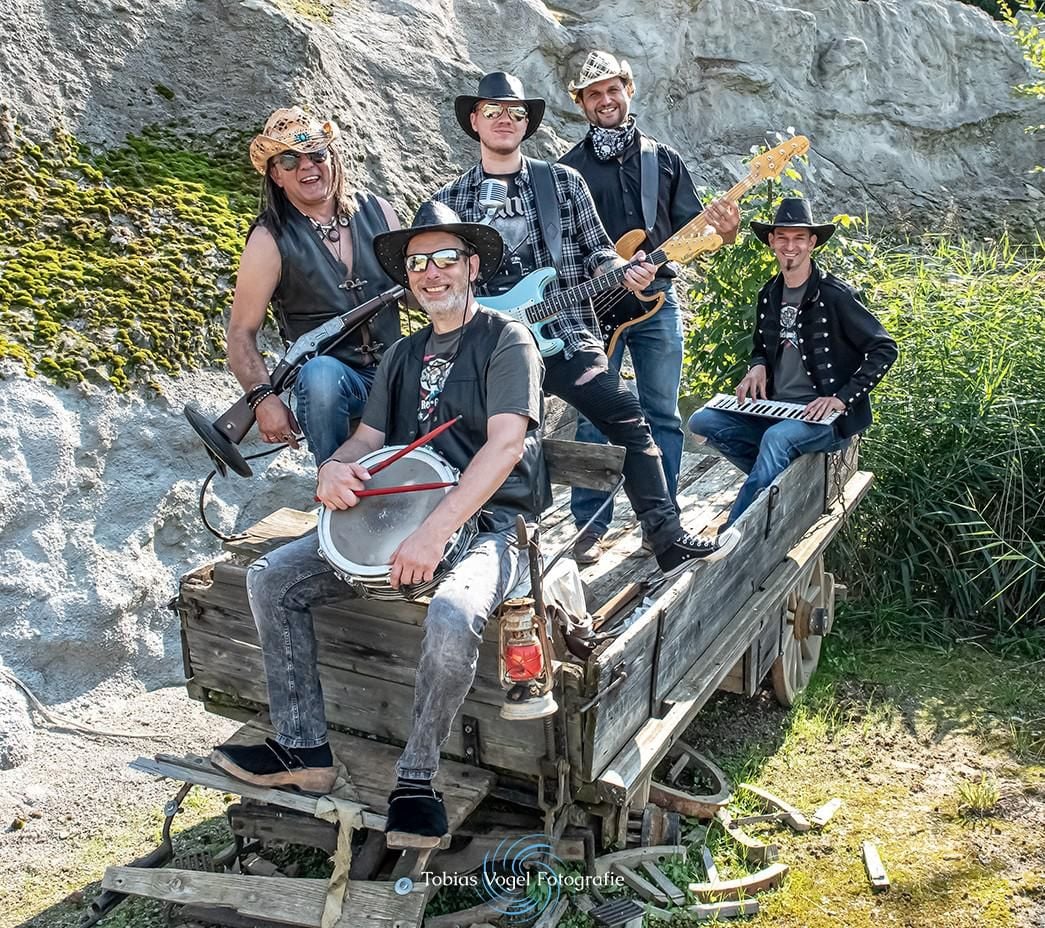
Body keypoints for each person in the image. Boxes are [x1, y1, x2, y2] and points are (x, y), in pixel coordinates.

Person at [211, 202, 549, 849]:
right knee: (271, 576)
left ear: (471, 265)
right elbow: (365, 438)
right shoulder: (402, 354)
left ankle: (415, 781)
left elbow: (505, 446)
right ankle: (301, 748)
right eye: (418, 262)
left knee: (452, 613)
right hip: (402, 522)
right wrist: (331, 472)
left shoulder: (507, 340)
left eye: (444, 258)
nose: (430, 273)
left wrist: (434, 531)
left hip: (491, 528)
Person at [434, 71, 740, 577]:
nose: (505, 120)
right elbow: (437, 281)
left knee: (625, 412)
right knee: (468, 430)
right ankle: (468, 540)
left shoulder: (562, 182)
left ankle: (664, 535)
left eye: (515, 112)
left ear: (527, 123)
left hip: (564, 334)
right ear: (475, 121)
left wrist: (620, 272)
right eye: (493, 112)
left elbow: (597, 251)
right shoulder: (449, 201)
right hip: (488, 347)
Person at [559, 51, 741, 563]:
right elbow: (564, 252)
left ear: (628, 90)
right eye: (593, 93)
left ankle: (660, 522)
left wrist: (723, 232)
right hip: (596, 311)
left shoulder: (662, 160)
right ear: (581, 104)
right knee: (593, 415)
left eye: (612, 89)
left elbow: (696, 232)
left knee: (662, 412)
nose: (605, 100)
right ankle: (589, 525)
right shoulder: (566, 171)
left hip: (658, 301)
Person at [688, 198, 897, 527]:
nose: (790, 246)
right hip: (778, 411)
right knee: (702, 421)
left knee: (777, 440)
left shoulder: (835, 295)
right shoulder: (769, 293)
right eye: (782, 237)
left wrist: (840, 399)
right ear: (771, 241)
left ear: (812, 243)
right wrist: (757, 364)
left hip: (825, 420)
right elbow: (761, 345)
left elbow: (885, 349)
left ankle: (731, 533)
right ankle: (775, 480)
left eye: (799, 238)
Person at [227, 107, 402, 466]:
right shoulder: (267, 239)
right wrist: (263, 398)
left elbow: (416, 295)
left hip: (399, 368)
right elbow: (241, 333)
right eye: (290, 159)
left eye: (317, 154)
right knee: (320, 375)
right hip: (334, 383)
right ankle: (333, 482)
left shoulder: (380, 211)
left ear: (332, 158)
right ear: (275, 174)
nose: (307, 166)